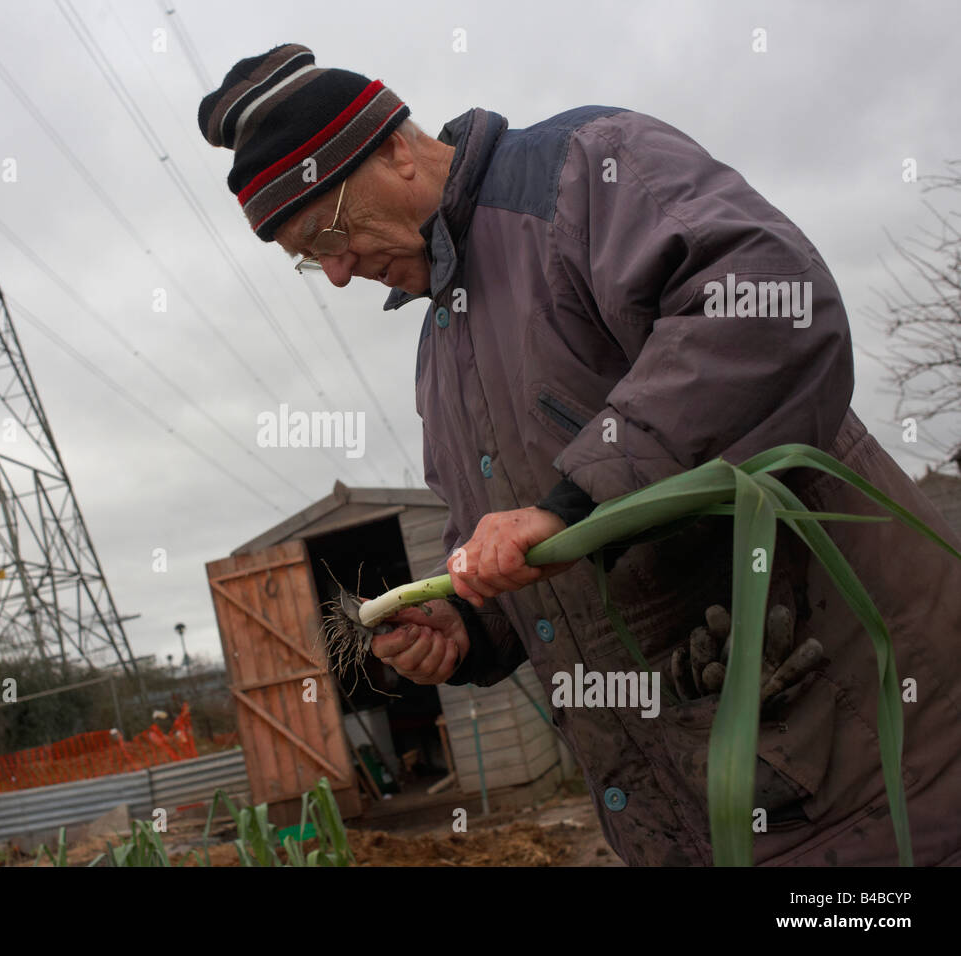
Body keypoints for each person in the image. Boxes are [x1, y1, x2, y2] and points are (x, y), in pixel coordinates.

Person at [197, 43, 961, 865]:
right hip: (714, 799)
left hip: (870, 754)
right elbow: (512, 552)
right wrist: (469, 624)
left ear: (393, 148)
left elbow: (768, 307)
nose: (339, 273)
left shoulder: (584, 172)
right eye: (311, 261)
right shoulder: (439, 355)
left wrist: (571, 502)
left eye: (331, 232)